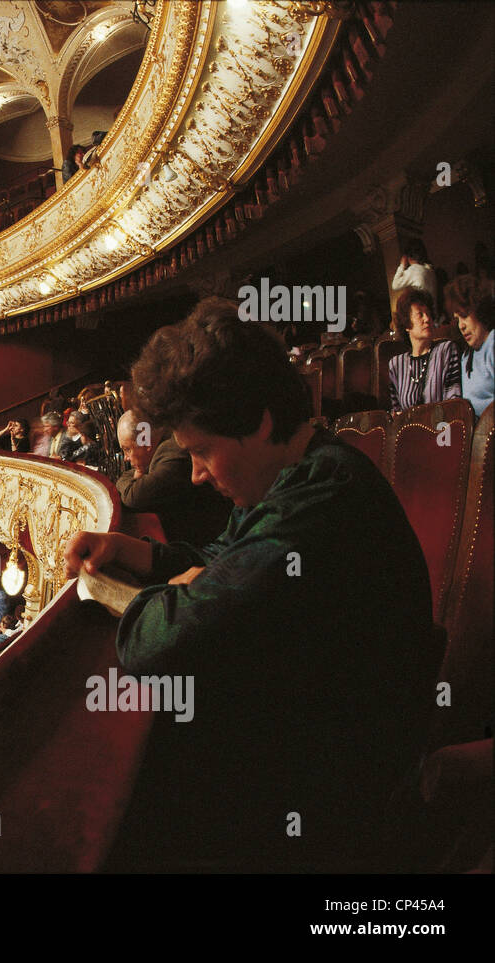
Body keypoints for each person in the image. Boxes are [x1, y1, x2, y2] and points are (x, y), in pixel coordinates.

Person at [64, 297, 434, 871]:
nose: (196, 474)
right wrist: (137, 554)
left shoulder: (321, 501)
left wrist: (177, 596)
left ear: (256, 421)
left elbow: (158, 644)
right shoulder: (294, 474)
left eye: (202, 451)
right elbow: (223, 558)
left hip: (330, 807)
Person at [115, 409, 231, 545]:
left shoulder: (172, 453)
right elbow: (127, 481)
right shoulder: (161, 449)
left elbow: (134, 498)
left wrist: (135, 476)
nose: (126, 458)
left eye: (127, 449)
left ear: (145, 439)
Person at [387, 289, 461, 411]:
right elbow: (397, 413)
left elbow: (454, 401)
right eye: (420, 314)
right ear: (406, 324)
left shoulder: (446, 350)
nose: (427, 319)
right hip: (410, 429)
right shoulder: (396, 365)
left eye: (428, 314)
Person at [444, 274, 494, 416]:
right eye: (457, 319)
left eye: (464, 316)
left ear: (479, 310)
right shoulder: (467, 355)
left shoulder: (492, 343)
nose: (461, 326)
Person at [391, 238, 439, 309]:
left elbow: (395, 285)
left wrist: (402, 265)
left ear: (408, 256)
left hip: (422, 311)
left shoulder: (414, 270)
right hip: (433, 312)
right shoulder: (431, 270)